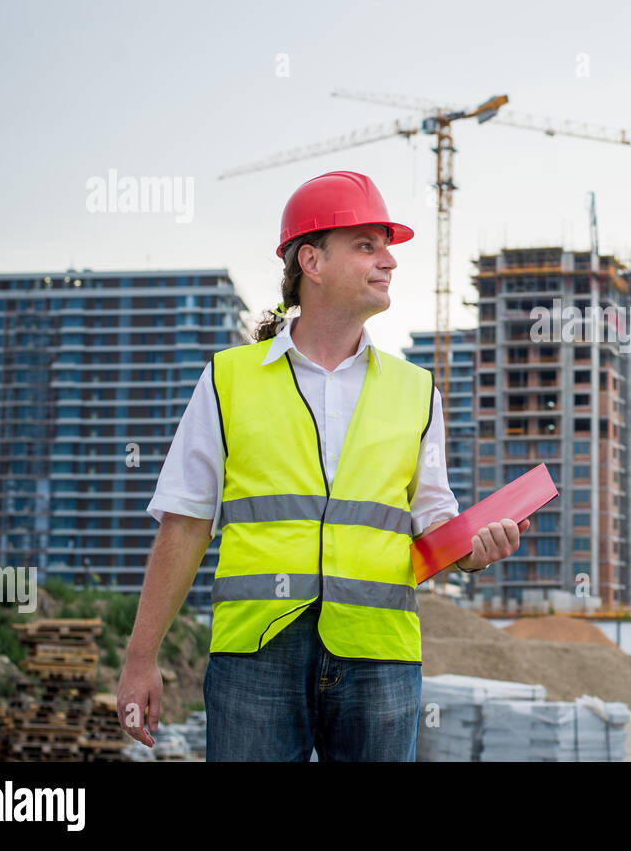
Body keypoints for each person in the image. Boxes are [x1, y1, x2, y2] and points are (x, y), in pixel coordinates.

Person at [117, 170, 527, 761]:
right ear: (311, 260)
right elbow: (184, 523)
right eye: (367, 245)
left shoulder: (417, 392)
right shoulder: (229, 380)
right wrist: (140, 658)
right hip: (256, 653)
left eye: (387, 247)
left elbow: (435, 522)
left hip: (378, 656)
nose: (388, 261)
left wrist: (475, 551)